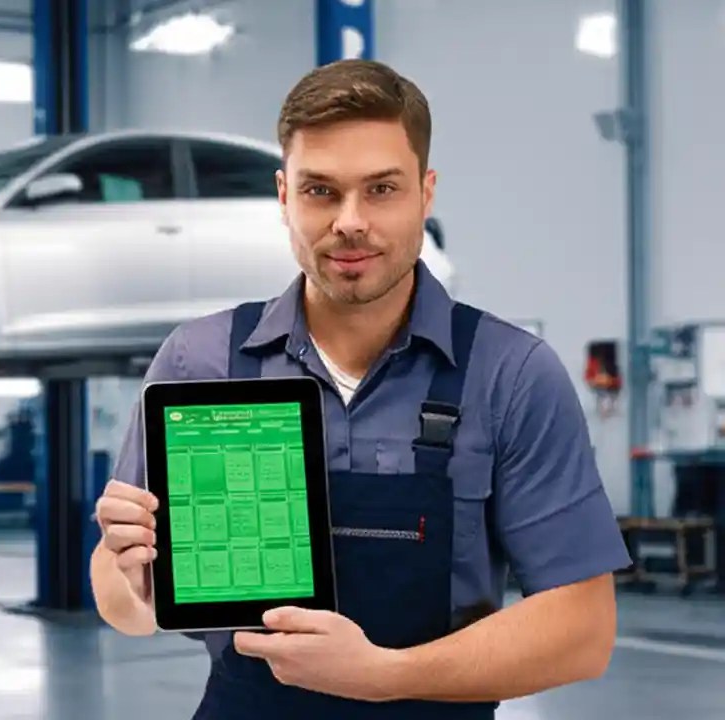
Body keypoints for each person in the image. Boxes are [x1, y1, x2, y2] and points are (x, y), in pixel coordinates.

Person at [89, 59, 631, 719]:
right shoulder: (201, 361)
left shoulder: (510, 374)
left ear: (426, 195)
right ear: (284, 196)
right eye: (321, 191)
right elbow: (126, 607)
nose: (350, 222)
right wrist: (131, 575)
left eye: (381, 190)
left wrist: (383, 675)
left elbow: (582, 631)